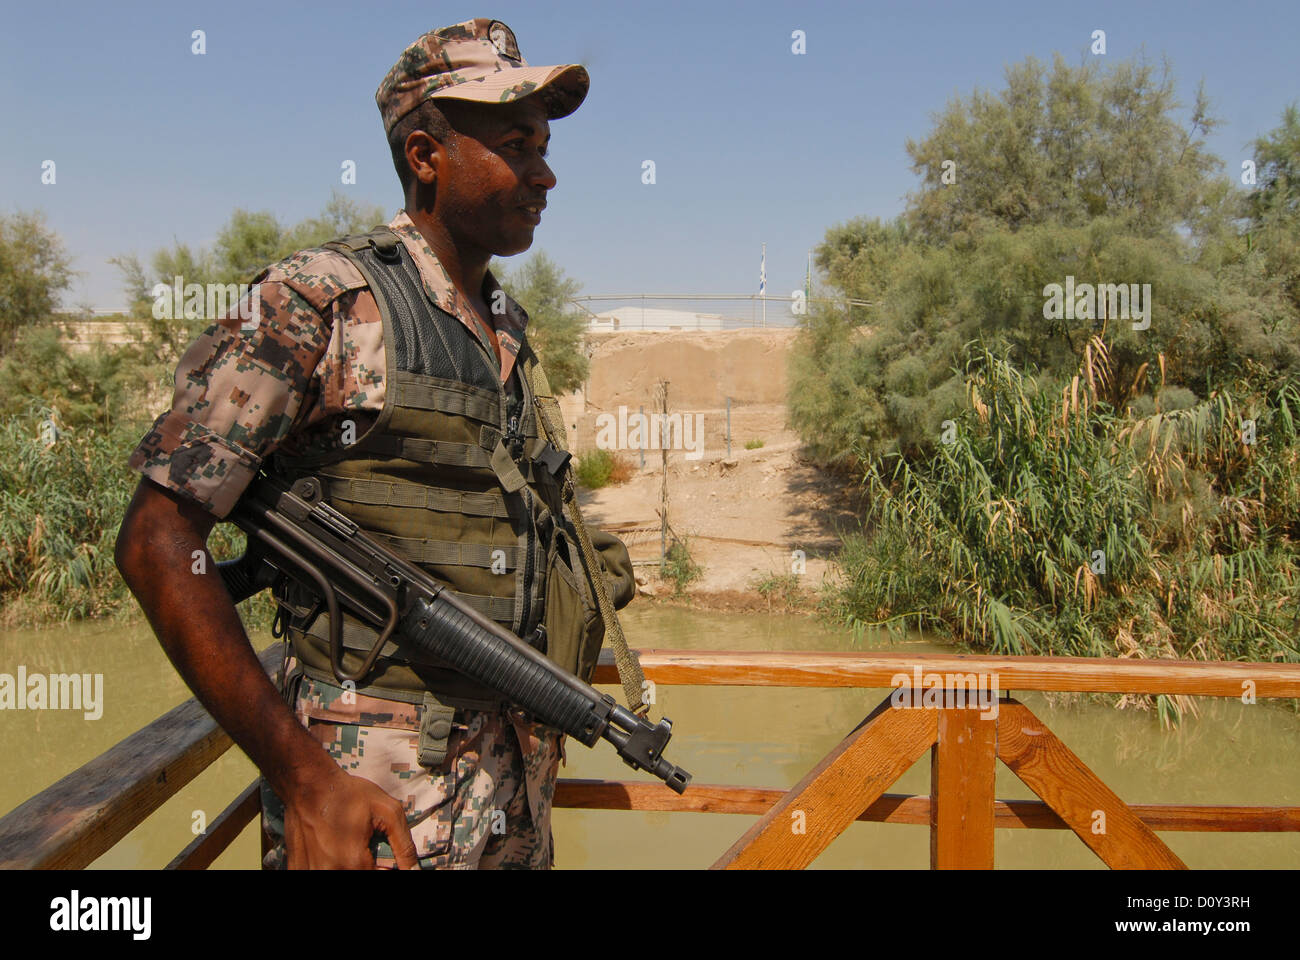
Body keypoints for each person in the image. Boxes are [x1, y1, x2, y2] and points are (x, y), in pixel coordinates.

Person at [114, 18, 634, 870]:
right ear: (425, 155)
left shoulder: (503, 327)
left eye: (544, 145)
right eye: (516, 145)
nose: (546, 174)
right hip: (378, 815)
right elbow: (156, 544)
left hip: (509, 804)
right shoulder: (315, 303)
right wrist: (307, 781)